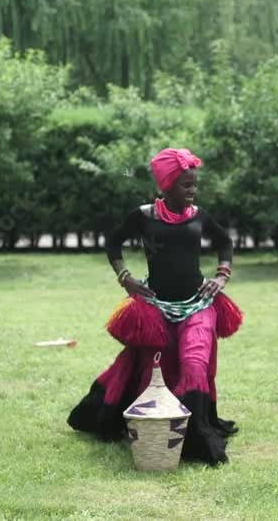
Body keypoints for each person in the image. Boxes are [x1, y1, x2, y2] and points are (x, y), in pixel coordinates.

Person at [68, 148, 243, 465]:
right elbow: (114, 242)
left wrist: (221, 276)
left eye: (195, 184)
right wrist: (125, 277)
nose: (193, 190)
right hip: (155, 307)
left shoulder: (199, 216)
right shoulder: (143, 216)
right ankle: (152, 429)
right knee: (154, 371)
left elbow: (225, 242)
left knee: (194, 365)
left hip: (197, 306)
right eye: (186, 185)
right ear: (168, 185)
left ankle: (195, 438)